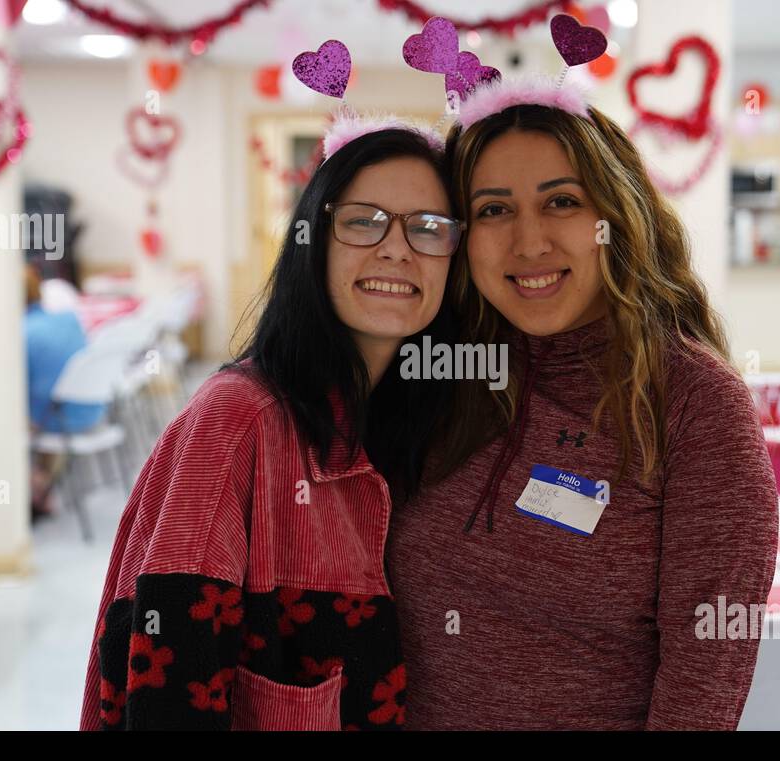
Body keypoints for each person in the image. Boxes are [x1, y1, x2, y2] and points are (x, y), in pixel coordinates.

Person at [385, 79, 779, 729]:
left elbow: (703, 683)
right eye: (493, 210)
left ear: (615, 216)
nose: (529, 242)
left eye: (561, 202)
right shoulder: (434, 372)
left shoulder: (695, 406)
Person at [78, 127, 459, 730]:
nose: (397, 249)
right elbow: (167, 695)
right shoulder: (236, 420)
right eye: (363, 221)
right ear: (311, 240)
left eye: (429, 228)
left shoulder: (429, 427)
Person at [23, 265, 104, 518]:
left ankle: (33, 484)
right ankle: (41, 484)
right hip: (95, 408)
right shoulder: (69, 319)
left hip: (60, 421)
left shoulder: (21, 333)